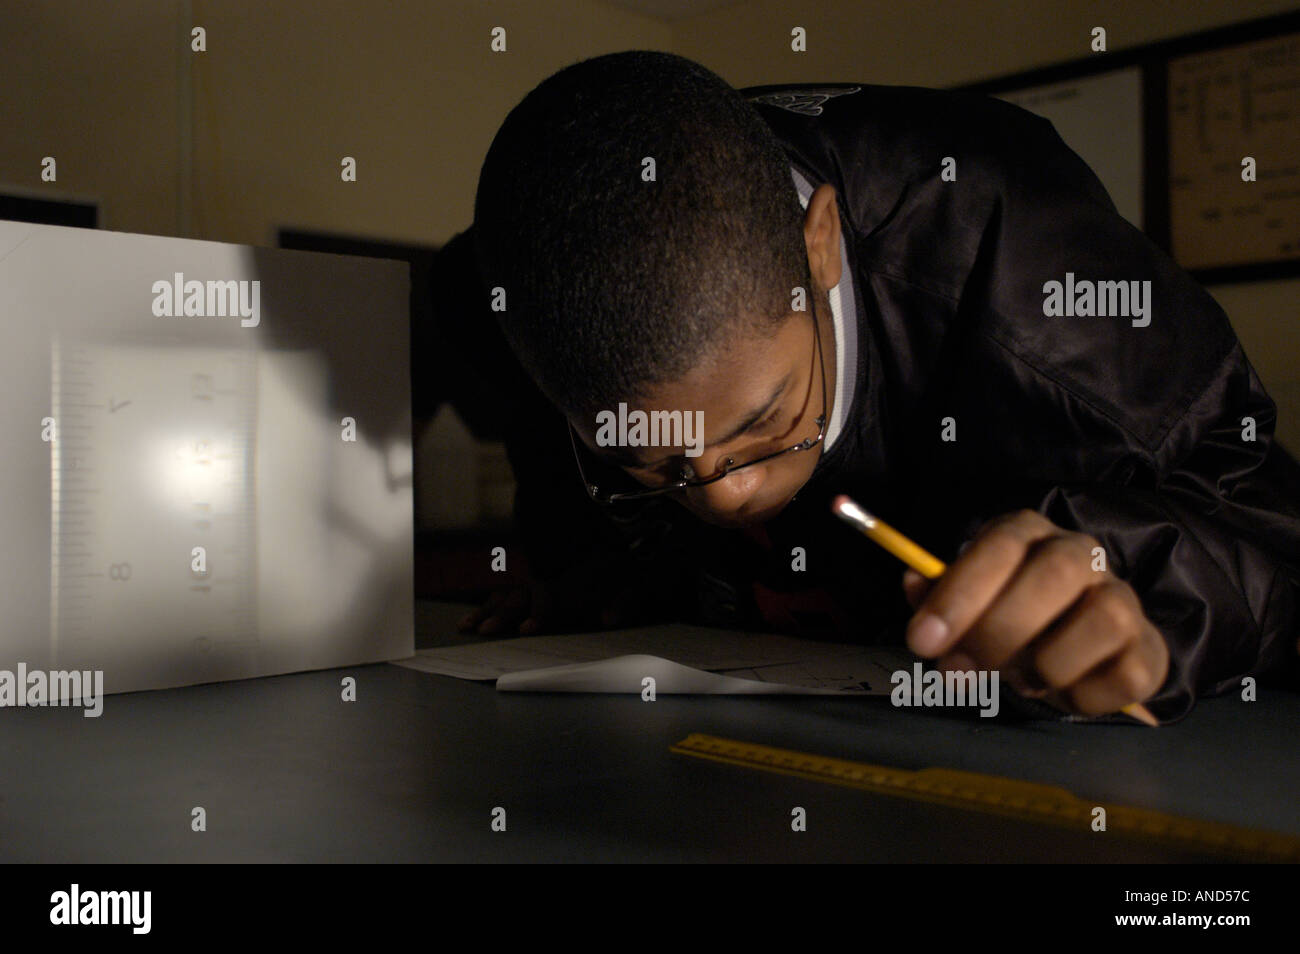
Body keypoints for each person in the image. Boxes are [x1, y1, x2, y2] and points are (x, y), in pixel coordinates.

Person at [420, 51, 1300, 723]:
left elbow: (1266, 522)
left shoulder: (1028, 275)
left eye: (768, 421)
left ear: (822, 244)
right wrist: (601, 573)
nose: (729, 496)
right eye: (655, 465)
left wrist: (1126, 583)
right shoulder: (506, 293)